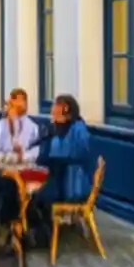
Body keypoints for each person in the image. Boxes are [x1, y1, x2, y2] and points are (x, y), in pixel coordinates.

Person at [26, 95, 96, 225]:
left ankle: (42, 234)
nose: (52, 113)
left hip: (72, 186)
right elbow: (43, 155)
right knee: (28, 195)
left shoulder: (78, 130)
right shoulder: (55, 130)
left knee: (37, 198)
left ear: (66, 111)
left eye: (56, 109)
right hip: (57, 179)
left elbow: (76, 156)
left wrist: (50, 160)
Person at [0, 88, 40, 155]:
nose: (16, 105)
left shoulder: (33, 127)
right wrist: (10, 122)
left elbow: (26, 149)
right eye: (13, 102)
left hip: (23, 161)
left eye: (20, 101)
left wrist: (14, 123)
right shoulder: (1, 124)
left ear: (25, 104)